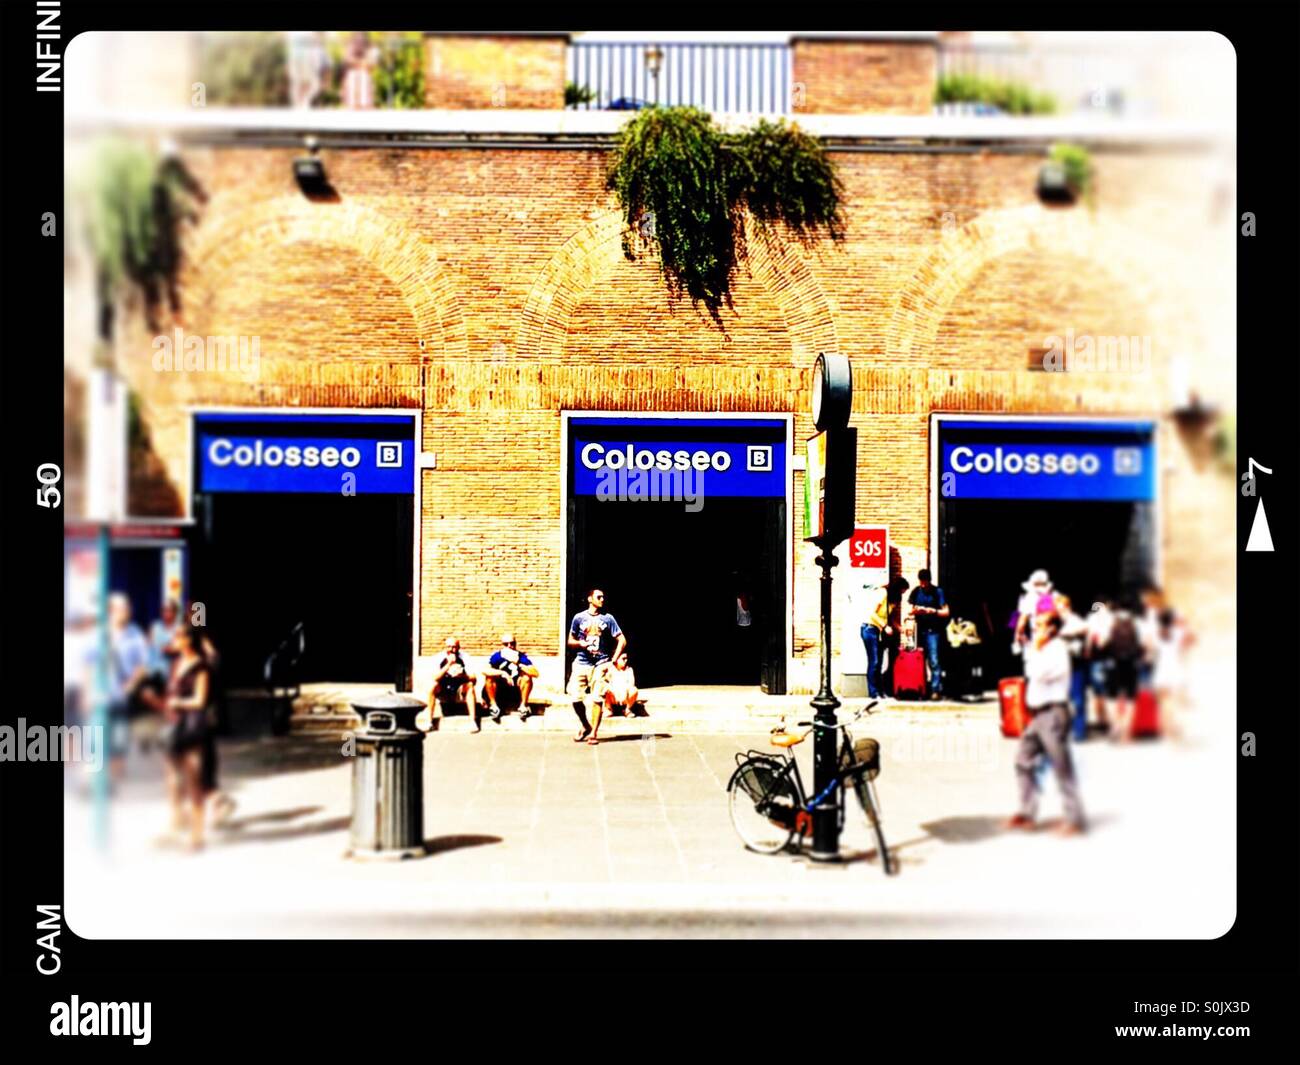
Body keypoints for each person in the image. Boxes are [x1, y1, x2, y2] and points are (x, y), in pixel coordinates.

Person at [1005, 612, 1087, 836]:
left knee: (1062, 767)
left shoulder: (1057, 649)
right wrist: (1023, 637)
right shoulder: (1040, 648)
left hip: (1053, 713)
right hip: (1038, 715)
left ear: (1052, 628)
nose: (1036, 629)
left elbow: (1036, 672)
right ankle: (1026, 811)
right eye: (1035, 625)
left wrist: (1036, 649)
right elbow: (1022, 659)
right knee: (1023, 759)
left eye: (1040, 625)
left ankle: (1074, 818)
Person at [151, 625, 214, 851]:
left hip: (194, 727)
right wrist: (162, 704)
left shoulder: (200, 667)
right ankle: (176, 825)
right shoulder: (176, 665)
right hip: (176, 726)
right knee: (173, 781)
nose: (174, 639)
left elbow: (200, 700)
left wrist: (179, 703)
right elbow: (170, 695)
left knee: (193, 779)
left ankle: (197, 835)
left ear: (189, 640)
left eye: (178, 635)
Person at [566, 588, 625, 745]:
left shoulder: (608, 618)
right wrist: (581, 643)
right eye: (599, 597)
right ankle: (586, 726)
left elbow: (622, 640)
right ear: (590, 599)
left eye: (603, 597)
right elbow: (570, 640)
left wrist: (612, 661)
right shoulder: (579, 618)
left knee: (597, 698)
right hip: (581, 662)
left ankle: (593, 733)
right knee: (575, 697)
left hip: (601, 664)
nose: (602, 599)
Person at [106, 593, 152, 782]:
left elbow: (143, 664)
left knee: (118, 735)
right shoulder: (101, 633)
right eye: (123, 608)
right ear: (111, 611)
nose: (127, 611)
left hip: (120, 696)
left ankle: (115, 775)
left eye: (127, 607)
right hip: (99, 694)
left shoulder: (134, 633)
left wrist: (131, 685)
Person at [1103, 599, 1146, 742]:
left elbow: (1102, 643)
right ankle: (1126, 733)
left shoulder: (1109, 621)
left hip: (1113, 665)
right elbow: (1145, 644)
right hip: (1132, 664)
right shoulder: (1137, 622)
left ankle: (1116, 725)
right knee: (1130, 699)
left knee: (1111, 697)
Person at [862, 576, 908, 700]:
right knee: (874, 661)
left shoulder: (893, 599)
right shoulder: (883, 594)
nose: (903, 594)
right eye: (902, 591)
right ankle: (873, 693)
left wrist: (899, 628)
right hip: (870, 629)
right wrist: (885, 626)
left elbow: (889, 617)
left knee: (880, 662)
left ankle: (880, 692)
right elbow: (872, 614)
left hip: (879, 631)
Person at [1152, 607, 1194, 740]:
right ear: (1172, 620)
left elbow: (1149, 649)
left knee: (1164, 702)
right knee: (1172, 702)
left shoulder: (1155, 633)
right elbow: (1191, 641)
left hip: (1161, 670)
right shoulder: (1178, 633)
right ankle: (1172, 727)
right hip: (1174, 670)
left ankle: (1166, 728)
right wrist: (1185, 625)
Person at [907, 569, 950, 701]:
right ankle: (922, 689)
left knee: (934, 660)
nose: (923, 585)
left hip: (933, 632)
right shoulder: (916, 591)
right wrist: (916, 612)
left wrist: (933, 611)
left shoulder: (938, 592)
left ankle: (935, 690)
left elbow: (946, 612)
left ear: (929, 581)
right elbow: (910, 611)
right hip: (919, 631)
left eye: (925, 582)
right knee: (919, 660)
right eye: (921, 582)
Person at [481, 633, 539, 723]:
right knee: (489, 678)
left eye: (512, 643)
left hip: (515, 690)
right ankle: (494, 706)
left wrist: (518, 664)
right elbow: (484, 670)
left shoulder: (520, 656)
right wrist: (502, 672)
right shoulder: (497, 656)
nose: (510, 646)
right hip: (500, 690)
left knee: (527, 678)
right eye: (506, 644)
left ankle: (523, 706)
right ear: (502, 645)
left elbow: (535, 673)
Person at [431, 637, 480, 732]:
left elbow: (474, 678)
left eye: (454, 647)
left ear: (458, 647)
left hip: (459, 689)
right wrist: (448, 665)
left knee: (470, 685)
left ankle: (472, 721)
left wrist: (462, 676)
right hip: (443, 688)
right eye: (449, 647)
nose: (452, 650)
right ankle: (429, 721)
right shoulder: (439, 658)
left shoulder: (465, 657)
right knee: (432, 686)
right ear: (445, 647)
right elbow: (435, 678)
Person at [1083, 598, 1115, 730]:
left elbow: (1089, 638)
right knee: (1106, 691)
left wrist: (1088, 650)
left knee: (1097, 691)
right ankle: (1106, 720)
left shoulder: (1092, 618)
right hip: (1108, 658)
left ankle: (1101, 720)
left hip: (1096, 659)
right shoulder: (1110, 618)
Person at [595, 651, 639, 719]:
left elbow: (631, 684)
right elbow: (603, 679)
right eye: (623, 658)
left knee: (634, 690)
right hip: (614, 697)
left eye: (626, 658)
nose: (625, 660)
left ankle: (627, 709)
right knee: (604, 688)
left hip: (625, 696)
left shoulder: (629, 670)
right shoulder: (611, 669)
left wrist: (624, 690)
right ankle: (609, 709)